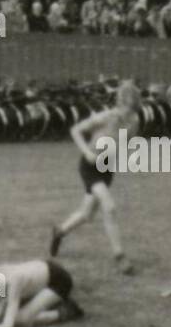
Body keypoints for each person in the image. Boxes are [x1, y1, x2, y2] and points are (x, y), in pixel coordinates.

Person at [50, 80, 142, 274]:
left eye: (132, 108)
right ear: (119, 102)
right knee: (109, 206)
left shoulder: (134, 121)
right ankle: (120, 256)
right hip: (90, 166)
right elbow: (74, 130)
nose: (128, 112)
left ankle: (60, 231)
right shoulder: (105, 117)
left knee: (87, 214)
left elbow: (128, 142)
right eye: (125, 106)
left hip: (106, 168)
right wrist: (87, 152)